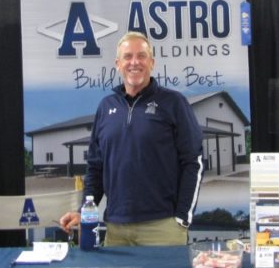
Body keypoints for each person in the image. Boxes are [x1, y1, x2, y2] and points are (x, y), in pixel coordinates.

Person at [59, 31, 204, 246]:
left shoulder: (174, 103)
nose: (134, 62)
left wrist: (182, 217)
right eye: (127, 57)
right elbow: (95, 168)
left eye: (141, 56)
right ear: (118, 64)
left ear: (152, 62)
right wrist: (84, 211)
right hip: (115, 230)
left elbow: (193, 161)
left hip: (162, 228)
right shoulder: (106, 107)